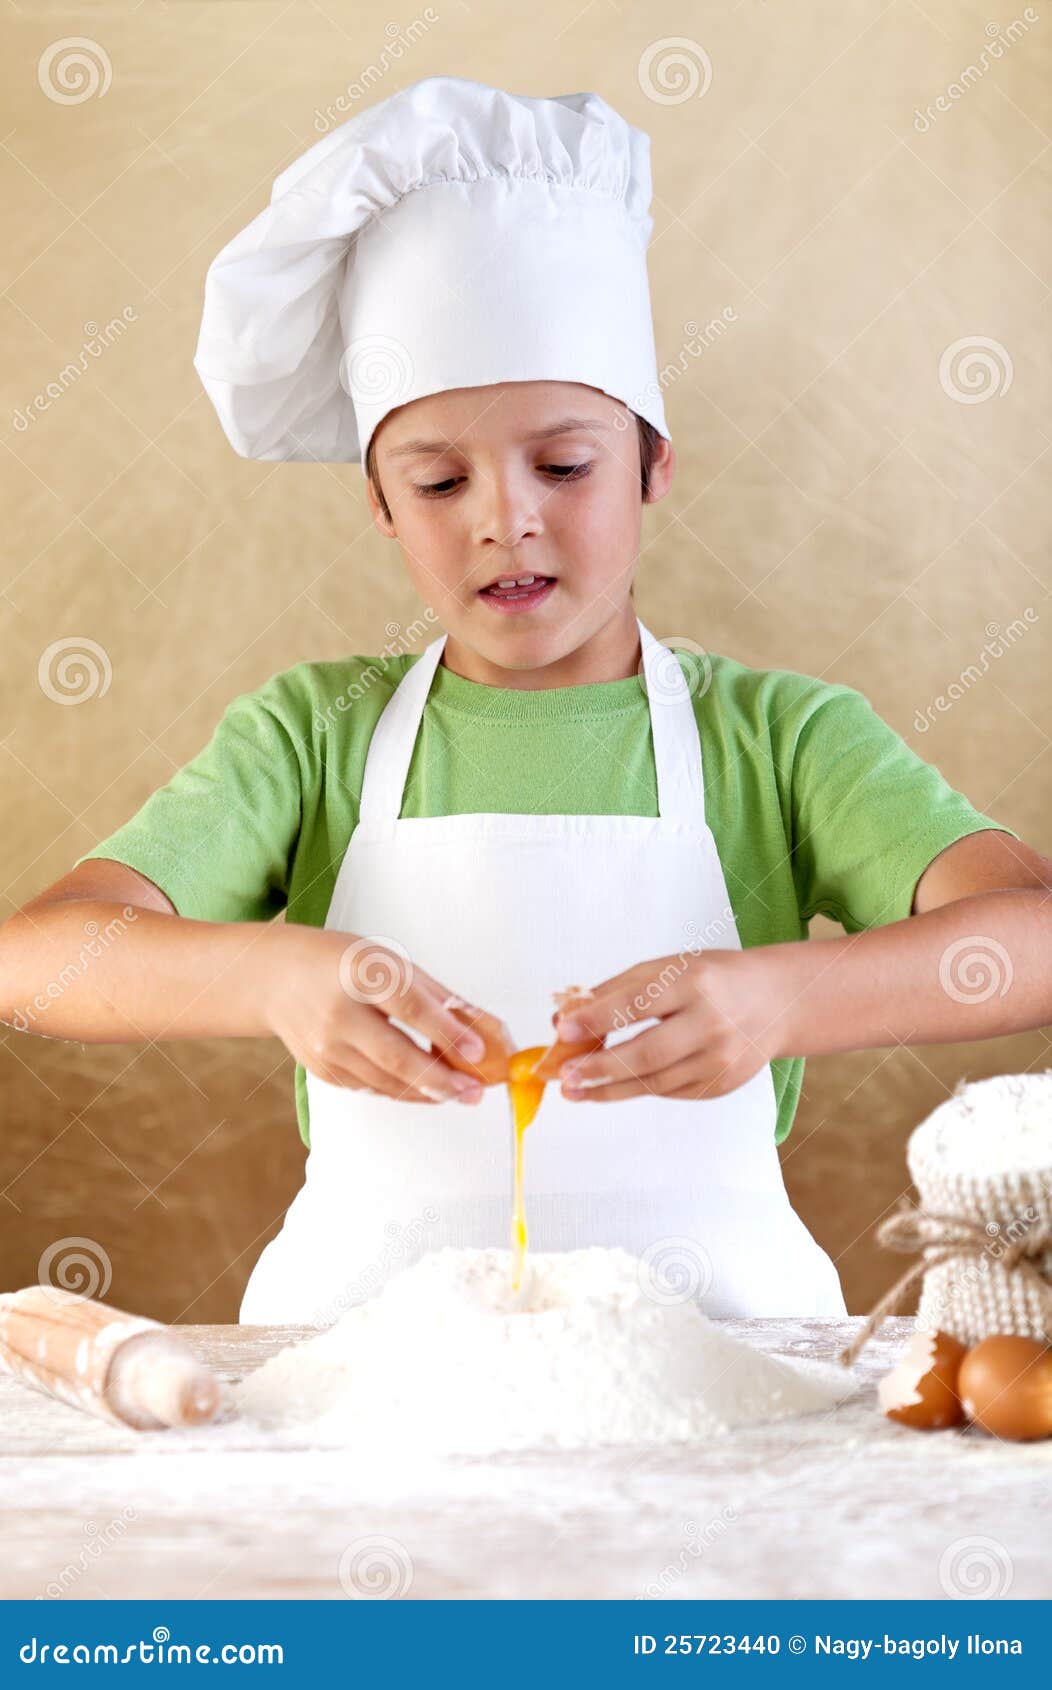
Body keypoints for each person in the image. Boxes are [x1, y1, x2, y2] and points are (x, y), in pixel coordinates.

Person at [5, 78, 1049, 1326]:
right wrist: (273, 978)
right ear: (379, 507)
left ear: (653, 462)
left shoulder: (777, 738)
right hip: (367, 1381)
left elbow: (1027, 940)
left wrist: (779, 999)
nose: (506, 518)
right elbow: (39, 960)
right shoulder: (308, 737)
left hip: (719, 1367)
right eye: (438, 480)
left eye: (562, 464)